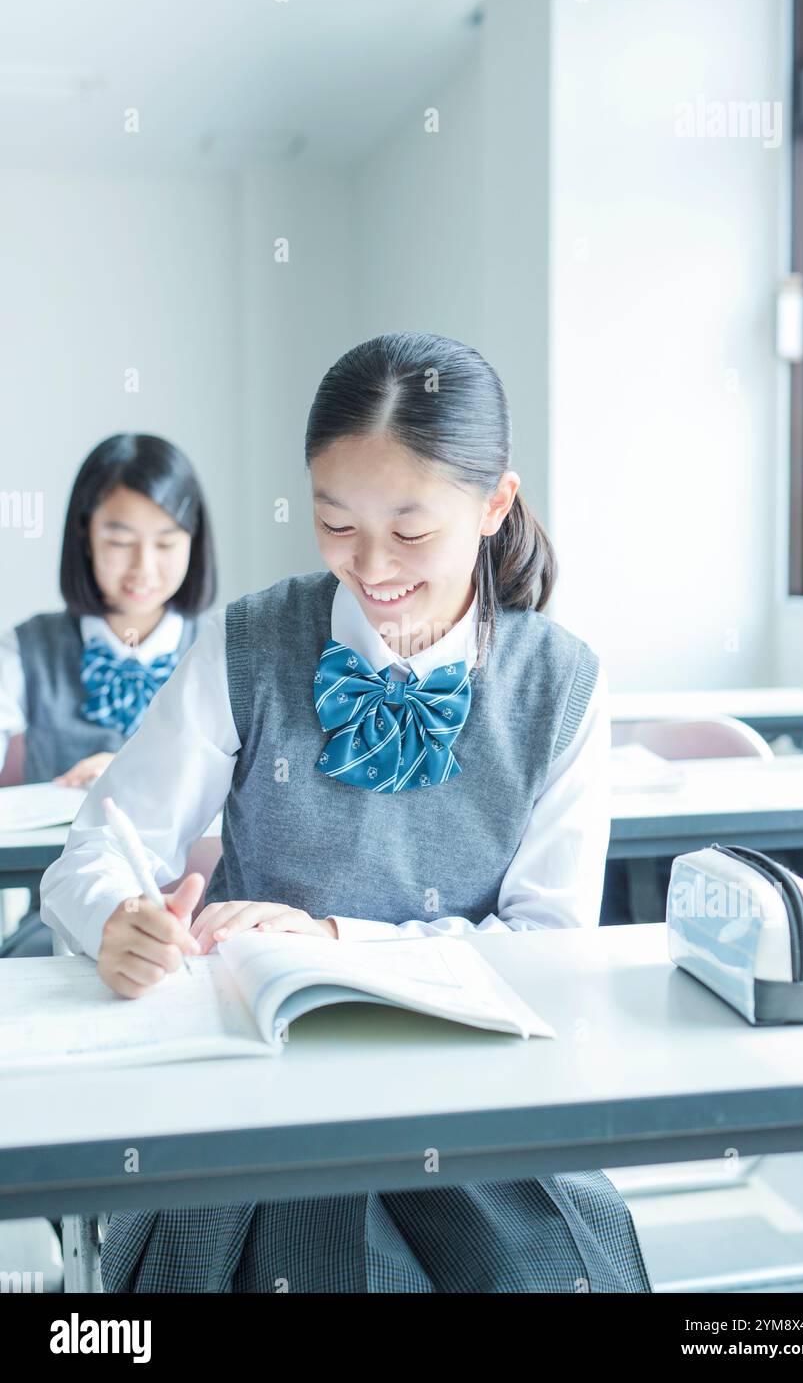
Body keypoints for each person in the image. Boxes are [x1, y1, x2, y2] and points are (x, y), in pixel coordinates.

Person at [41, 333, 651, 1293]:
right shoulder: (244, 642)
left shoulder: (562, 682)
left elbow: (548, 948)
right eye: (335, 523)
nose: (371, 566)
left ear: (496, 505)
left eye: (412, 531)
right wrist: (116, 918)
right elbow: (92, 853)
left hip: (474, 1097)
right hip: (256, 1105)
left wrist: (331, 939)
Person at [0, 433, 216, 957]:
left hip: (208, 918)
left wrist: (129, 770)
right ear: (86, 537)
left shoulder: (225, 647)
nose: (143, 567)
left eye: (166, 543)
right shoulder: (24, 649)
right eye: (120, 541)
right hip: (64, 926)